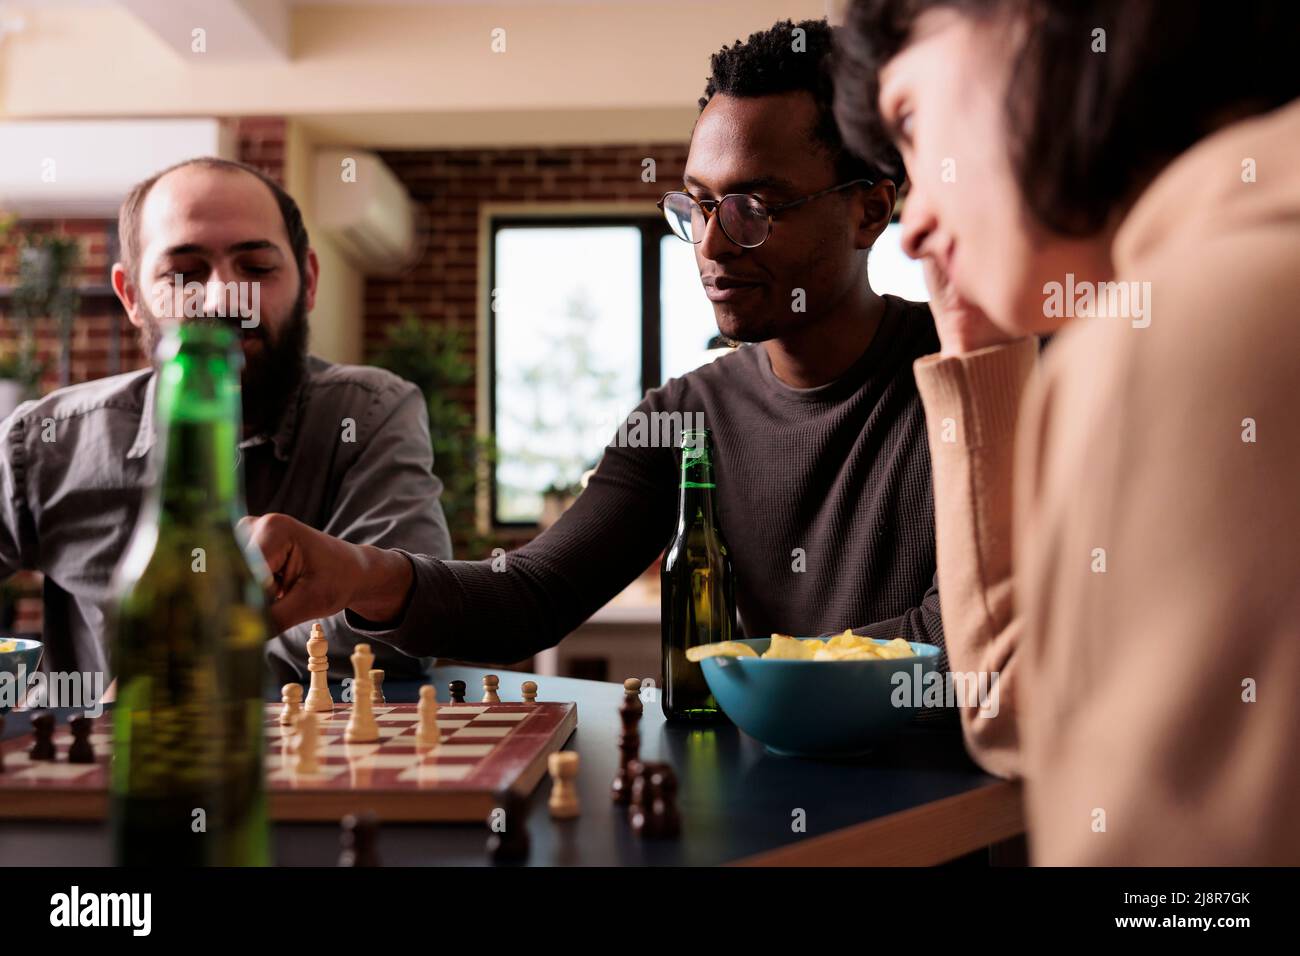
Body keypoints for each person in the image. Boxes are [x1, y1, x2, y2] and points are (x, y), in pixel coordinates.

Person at [242, 20, 949, 675]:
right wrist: (356, 574)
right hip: (779, 795)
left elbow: (954, 641)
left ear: (871, 210)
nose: (710, 245)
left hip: (958, 806)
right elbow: (532, 593)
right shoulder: (685, 416)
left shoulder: (974, 377)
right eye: (699, 205)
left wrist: (746, 678)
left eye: (754, 209)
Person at [834, 0, 1300, 863]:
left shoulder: (1170, 333)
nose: (913, 226)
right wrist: (978, 351)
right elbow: (1029, 708)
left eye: (908, 120)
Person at [0, 158, 453, 683]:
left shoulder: (368, 414)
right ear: (131, 297)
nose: (221, 299)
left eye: (256, 269)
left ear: (306, 281)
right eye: (183, 274)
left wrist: (173, 684)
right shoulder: (47, 440)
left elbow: (406, 622)